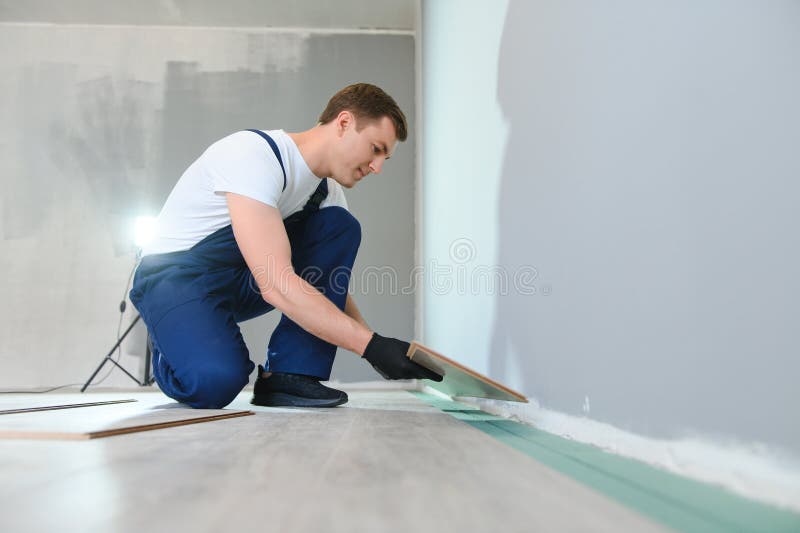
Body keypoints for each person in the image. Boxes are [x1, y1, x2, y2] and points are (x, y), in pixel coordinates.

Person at [129, 83, 442, 409]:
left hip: (242, 277)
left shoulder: (328, 195)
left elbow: (326, 288)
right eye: (376, 149)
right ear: (344, 123)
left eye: (385, 157)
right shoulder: (253, 155)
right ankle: (172, 347)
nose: (378, 166)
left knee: (340, 226)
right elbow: (276, 284)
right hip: (174, 278)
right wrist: (369, 345)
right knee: (216, 383)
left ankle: (291, 375)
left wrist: (375, 347)